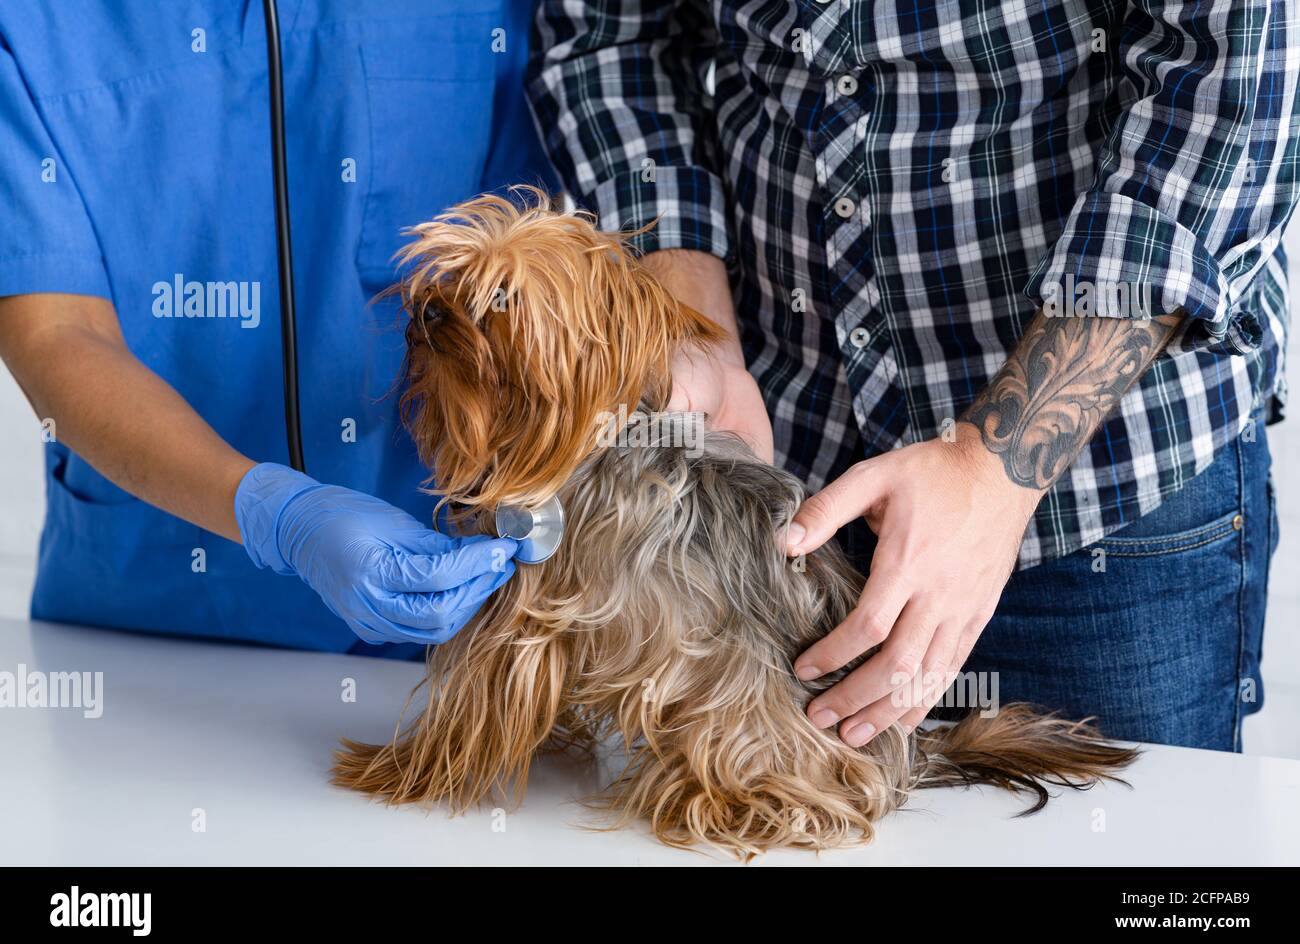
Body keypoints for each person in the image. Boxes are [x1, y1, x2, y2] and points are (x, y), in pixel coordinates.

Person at [528, 0, 1298, 749]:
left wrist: (994, 467)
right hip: (781, 481)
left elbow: (1225, 88)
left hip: (1105, 497)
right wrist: (693, 328)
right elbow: (608, 40)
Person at [0, 1, 554, 658]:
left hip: (447, 620)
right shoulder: (33, 20)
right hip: (147, 629)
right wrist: (276, 514)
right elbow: (55, 334)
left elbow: (533, 281)